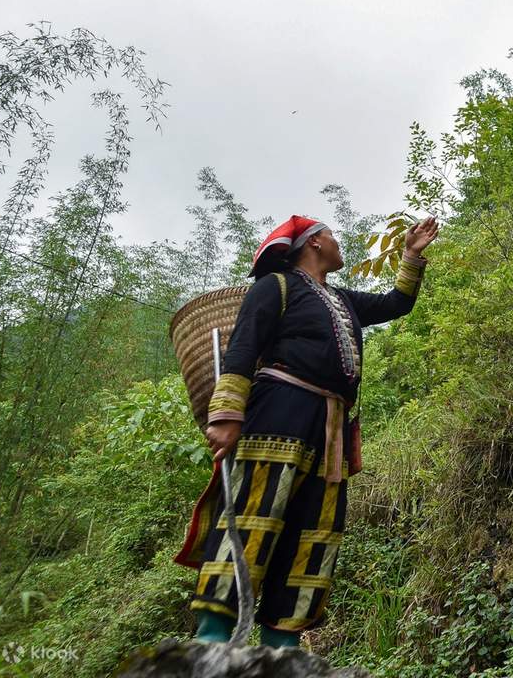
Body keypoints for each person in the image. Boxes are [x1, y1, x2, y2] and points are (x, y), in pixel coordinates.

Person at [173, 213, 438, 648]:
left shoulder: (342, 300)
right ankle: (214, 634)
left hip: (329, 428)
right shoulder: (275, 287)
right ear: (313, 243)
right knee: (254, 512)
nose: (338, 243)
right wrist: (225, 414)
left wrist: (410, 255)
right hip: (279, 410)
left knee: (312, 528)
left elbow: (396, 304)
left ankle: (282, 641)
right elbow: (243, 346)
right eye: (332, 236)